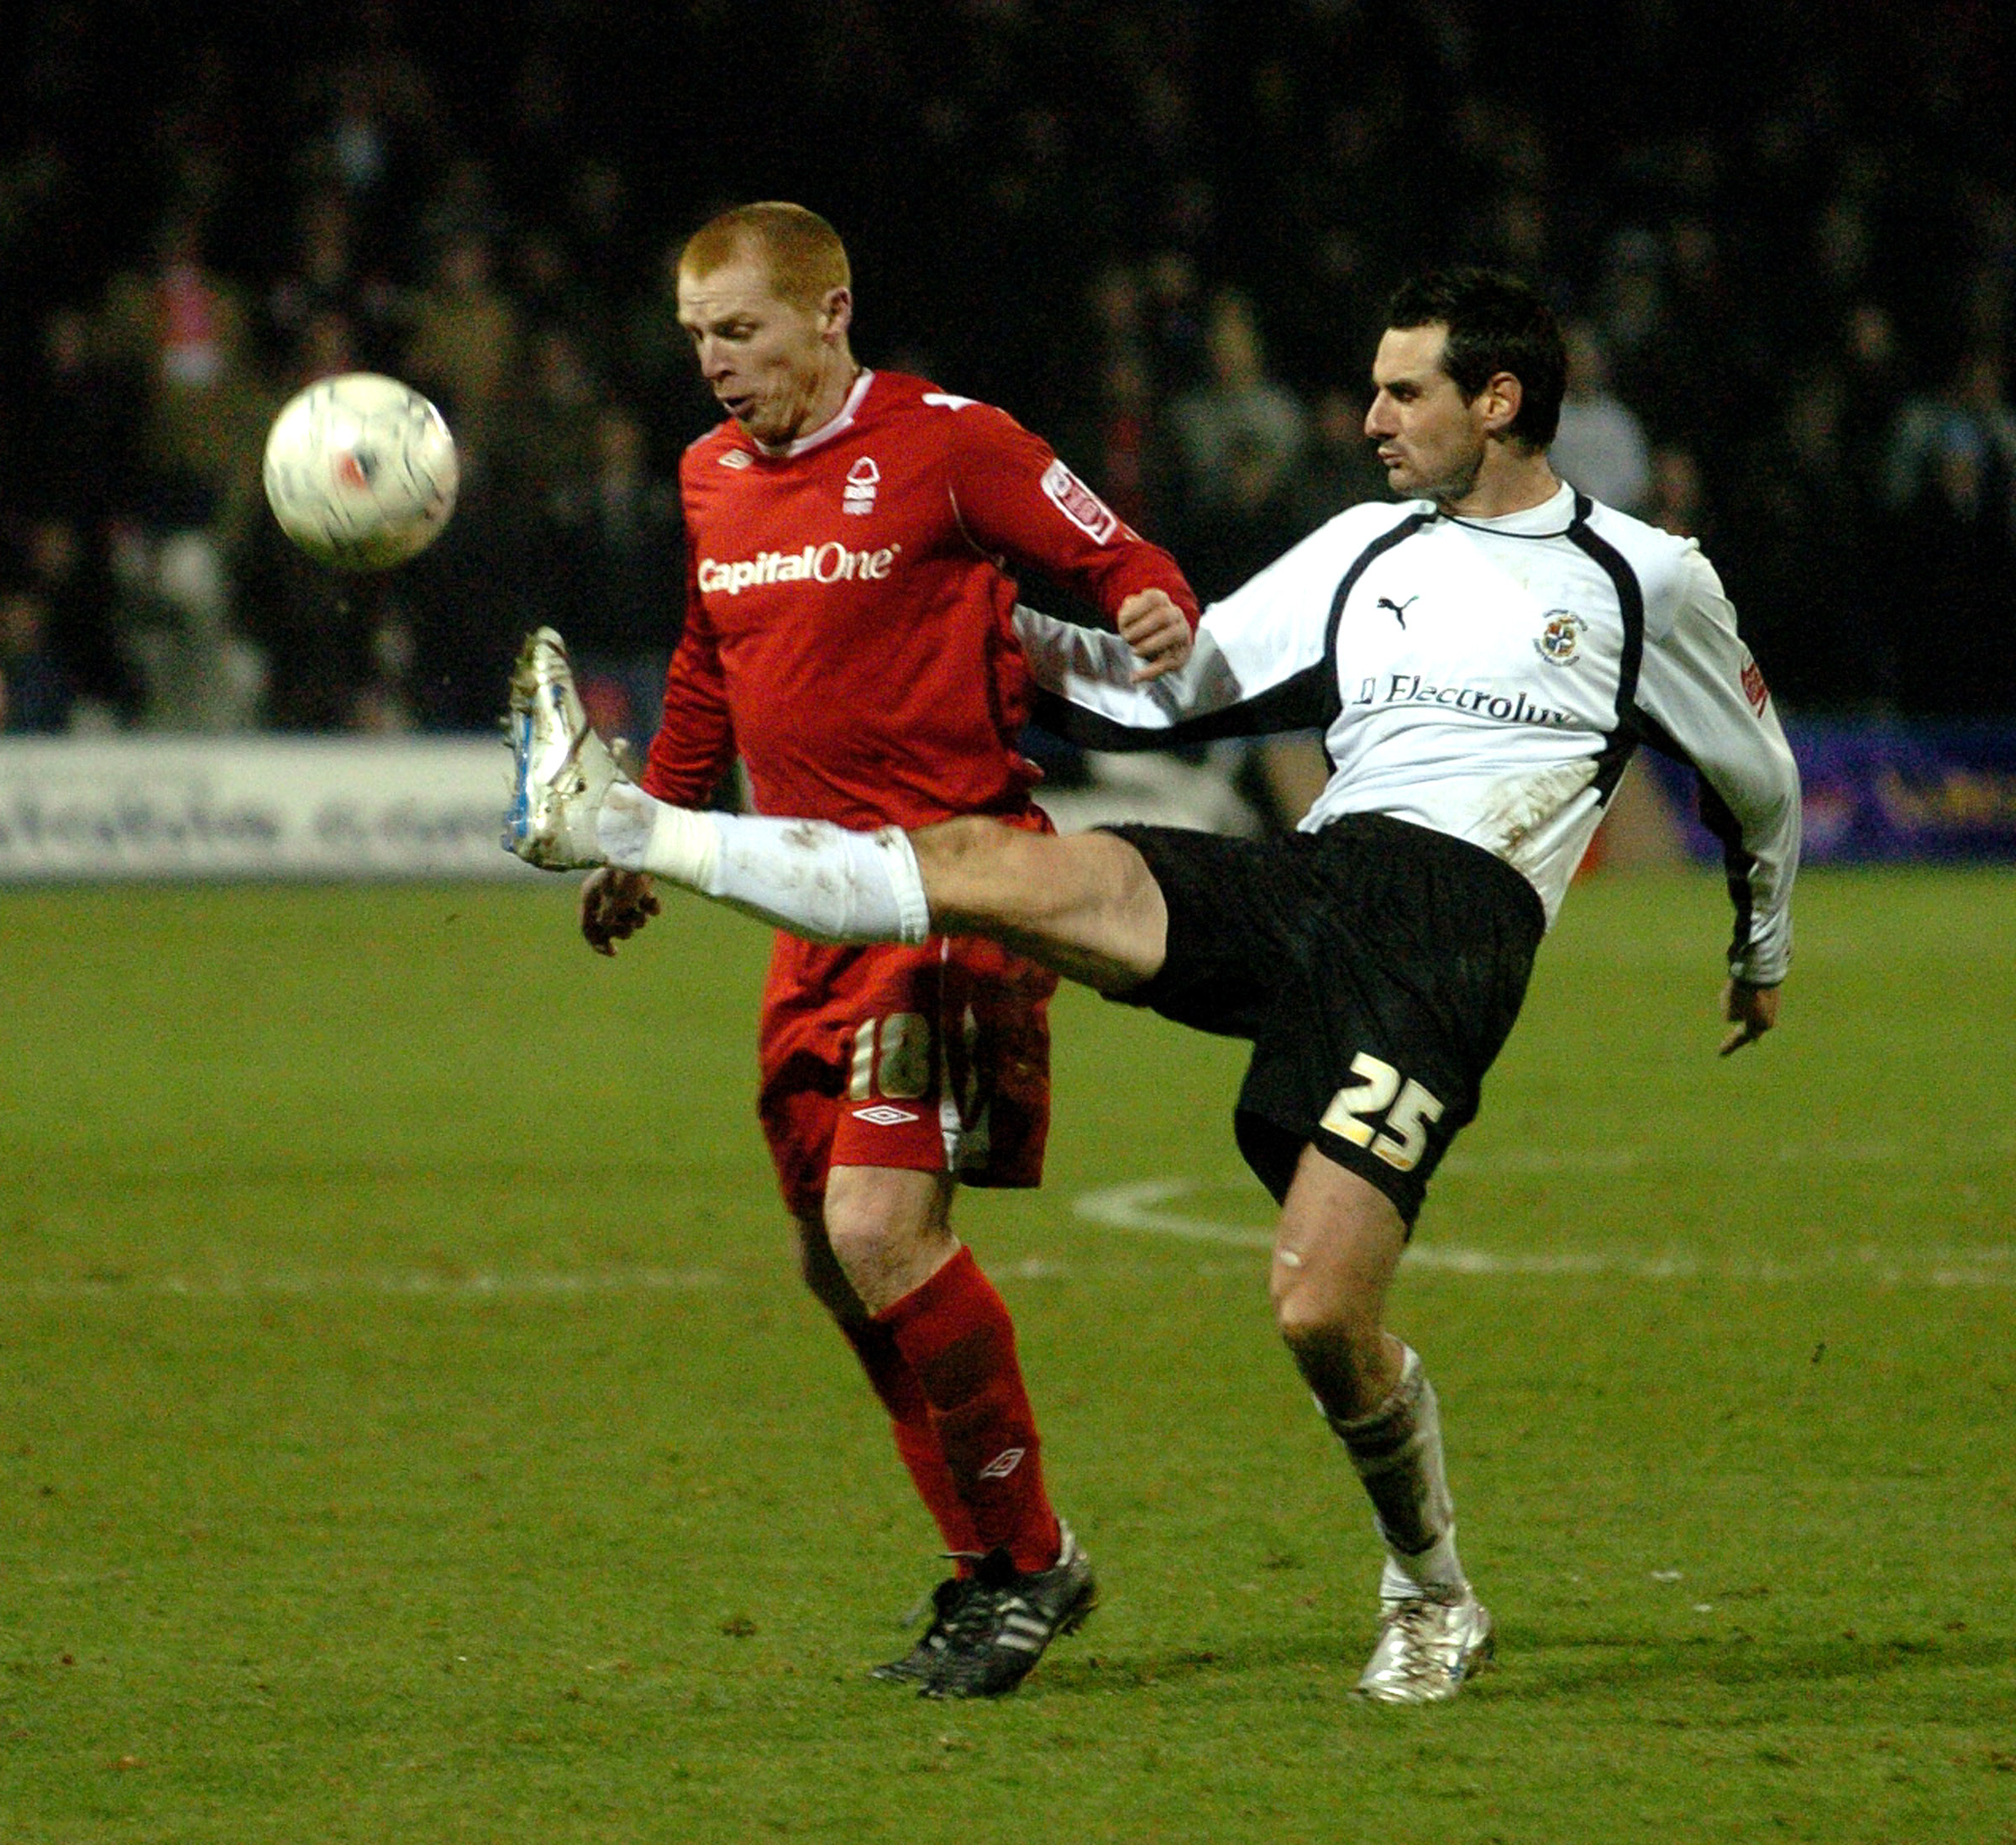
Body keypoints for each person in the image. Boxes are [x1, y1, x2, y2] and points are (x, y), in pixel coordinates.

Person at [509, 267, 1800, 1704]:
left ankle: (1430, 1588)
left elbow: (1759, 772)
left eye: (1403, 391)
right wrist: (997, 627)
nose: (1370, 417)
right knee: (1010, 867)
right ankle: (630, 825)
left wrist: (1762, 949)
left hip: (1450, 938)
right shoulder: (1371, 546)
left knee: (1319, 1311)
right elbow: (1174, 684)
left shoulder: (1645, 575)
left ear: (1499, 402)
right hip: (1317, 877)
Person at [508, 202, 1200, 1700]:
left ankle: (1026, 1570)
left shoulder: (951, 443)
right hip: (807, 920)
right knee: (839, 1266)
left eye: (740, 332)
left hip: (952, 901)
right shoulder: (708, 481)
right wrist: (649, 834)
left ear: (829, 315)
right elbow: (709, 668)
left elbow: (1111, 548)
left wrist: (1151, 595)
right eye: (697, 338)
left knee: (885, 1232)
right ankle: (997, 1564)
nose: (714, 365)